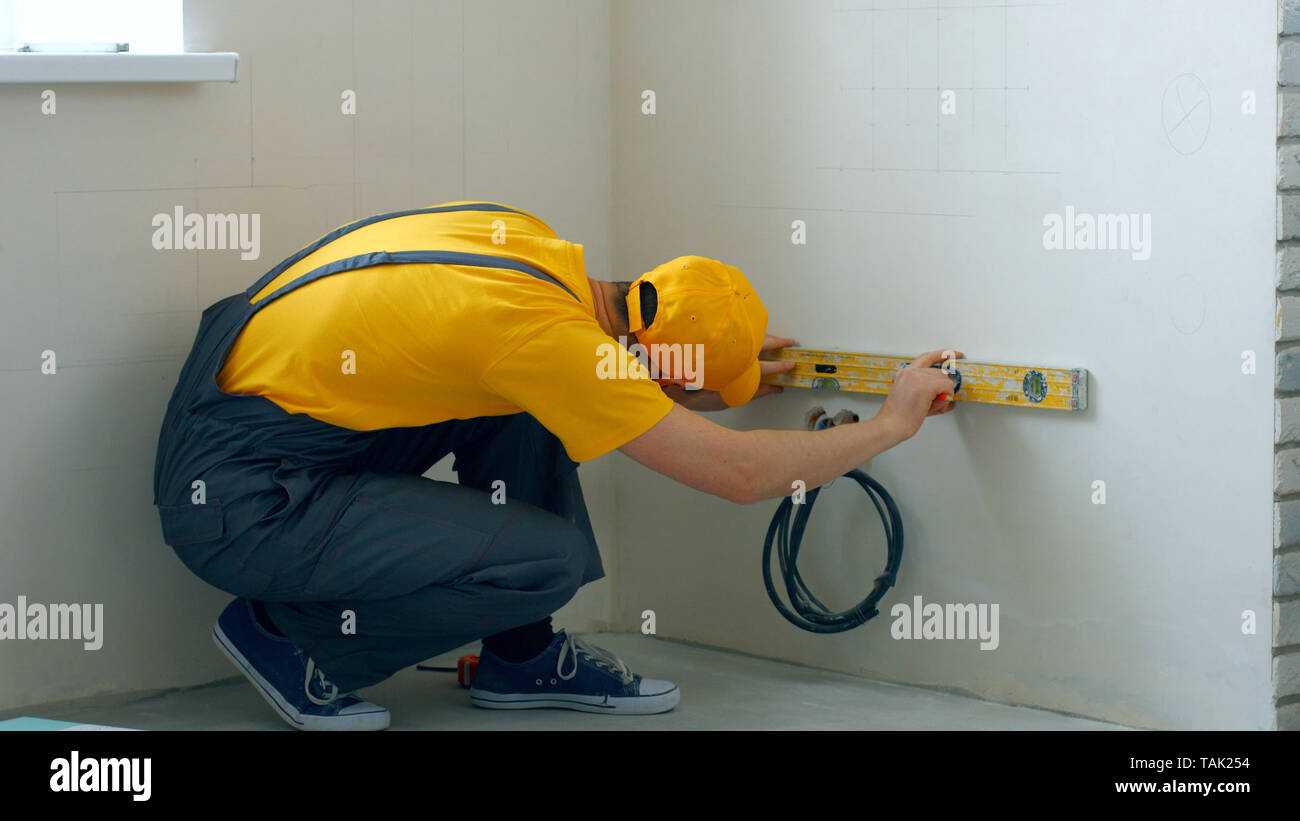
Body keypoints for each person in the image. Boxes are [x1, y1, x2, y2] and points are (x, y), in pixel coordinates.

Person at [152, 201, 959, 730]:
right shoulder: (553, 345)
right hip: (243, 500)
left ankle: (519, 658)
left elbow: (618, 379)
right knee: (551, 559)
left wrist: (727, 352)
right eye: (696, 385)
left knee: (528, 405)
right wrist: (890, 424)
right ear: (662, 363)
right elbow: (739, 473)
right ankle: (291, 637)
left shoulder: (534, 254)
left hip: (253, 422)